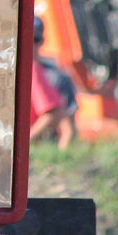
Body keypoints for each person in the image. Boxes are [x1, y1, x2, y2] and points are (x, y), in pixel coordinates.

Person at [29, 16, 79, 147]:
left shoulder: (57, 77)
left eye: (35, 39)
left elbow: (67, 127)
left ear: (42, 41)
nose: (30, 45)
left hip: (47, 146)